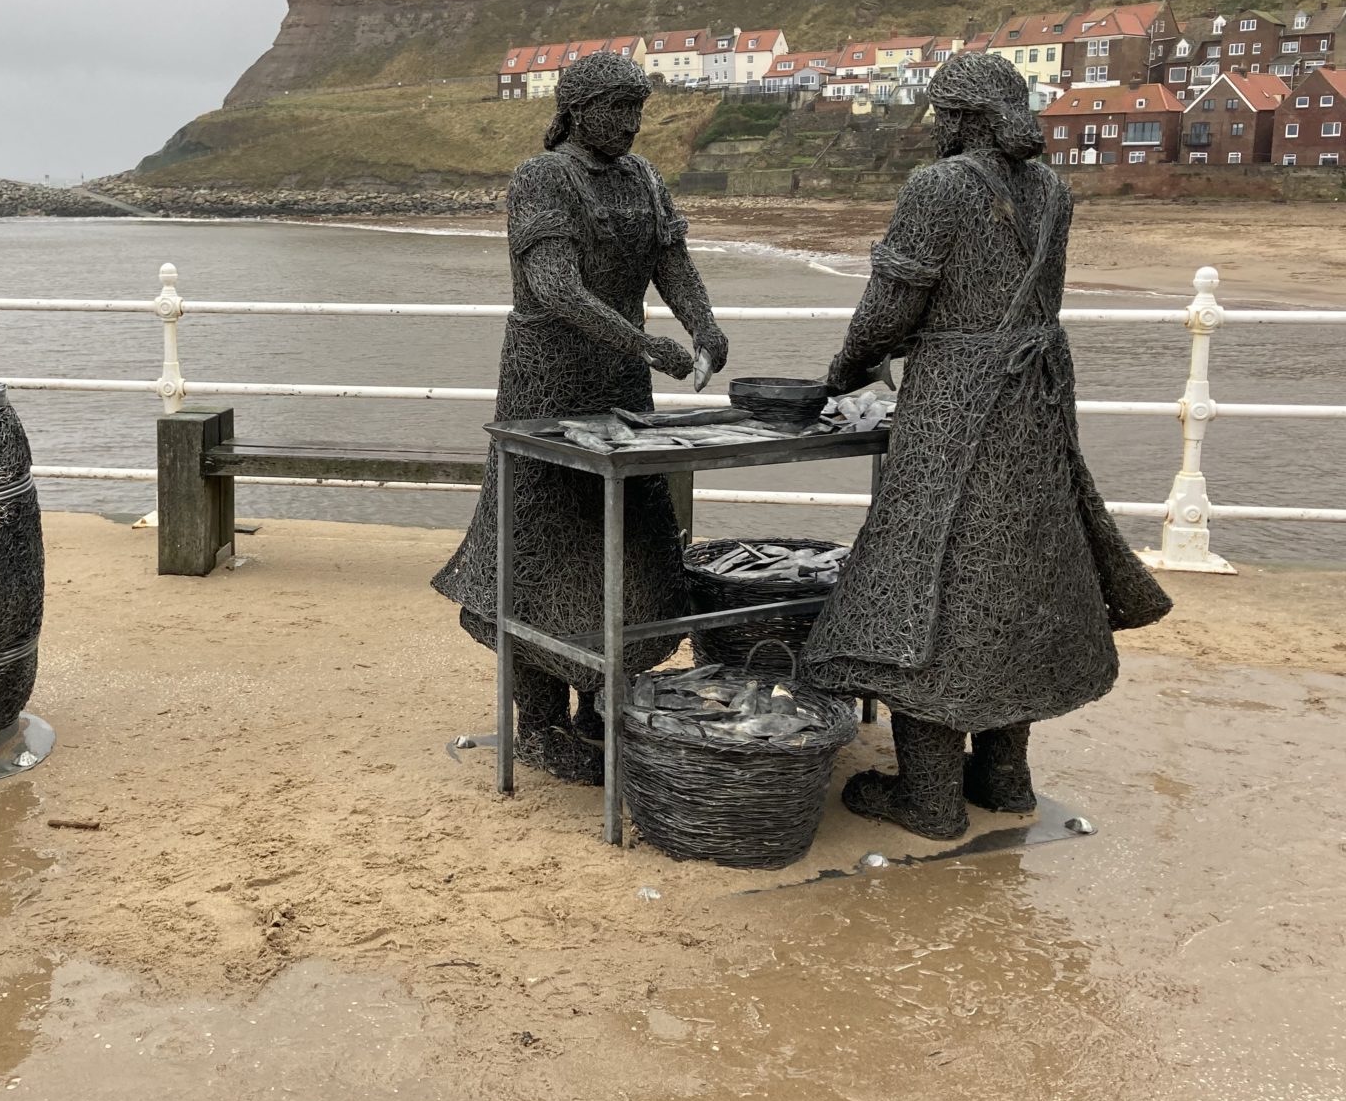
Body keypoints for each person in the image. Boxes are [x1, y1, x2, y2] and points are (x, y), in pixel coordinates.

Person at [804, 52, 1172, 839]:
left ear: (965, 118)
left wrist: (844, 370)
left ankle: (929, 798)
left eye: (943, 114)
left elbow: (890, 307)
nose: (937, 128)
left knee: (920, 586)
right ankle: (1003, 777)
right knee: (1012, 583)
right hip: (1035, 411)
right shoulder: (1053, 192)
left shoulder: (939, 188)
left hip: (956, 410)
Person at [433, 52, 729, 782]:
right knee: (539, 544)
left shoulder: (643, 178)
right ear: (577, 110)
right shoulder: (543, 178)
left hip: (621, 383)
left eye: (637, 111)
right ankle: (538, 722)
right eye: (615, 110)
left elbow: (673, 262)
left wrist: (704, 325)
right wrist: (647, 342)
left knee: (619, 539)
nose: (629, 125)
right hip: (547, 377)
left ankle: (600, 704)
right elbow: (554, 287)